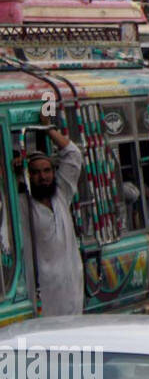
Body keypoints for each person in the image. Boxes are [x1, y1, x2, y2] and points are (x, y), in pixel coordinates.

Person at [25, 125, 86, 315]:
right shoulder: (23, 205)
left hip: (73, 291)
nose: (42, 177)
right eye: (35, 173)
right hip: (44, 295)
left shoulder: (61, 195)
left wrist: (48, 129)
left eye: (47, 171)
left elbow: (74, 155)